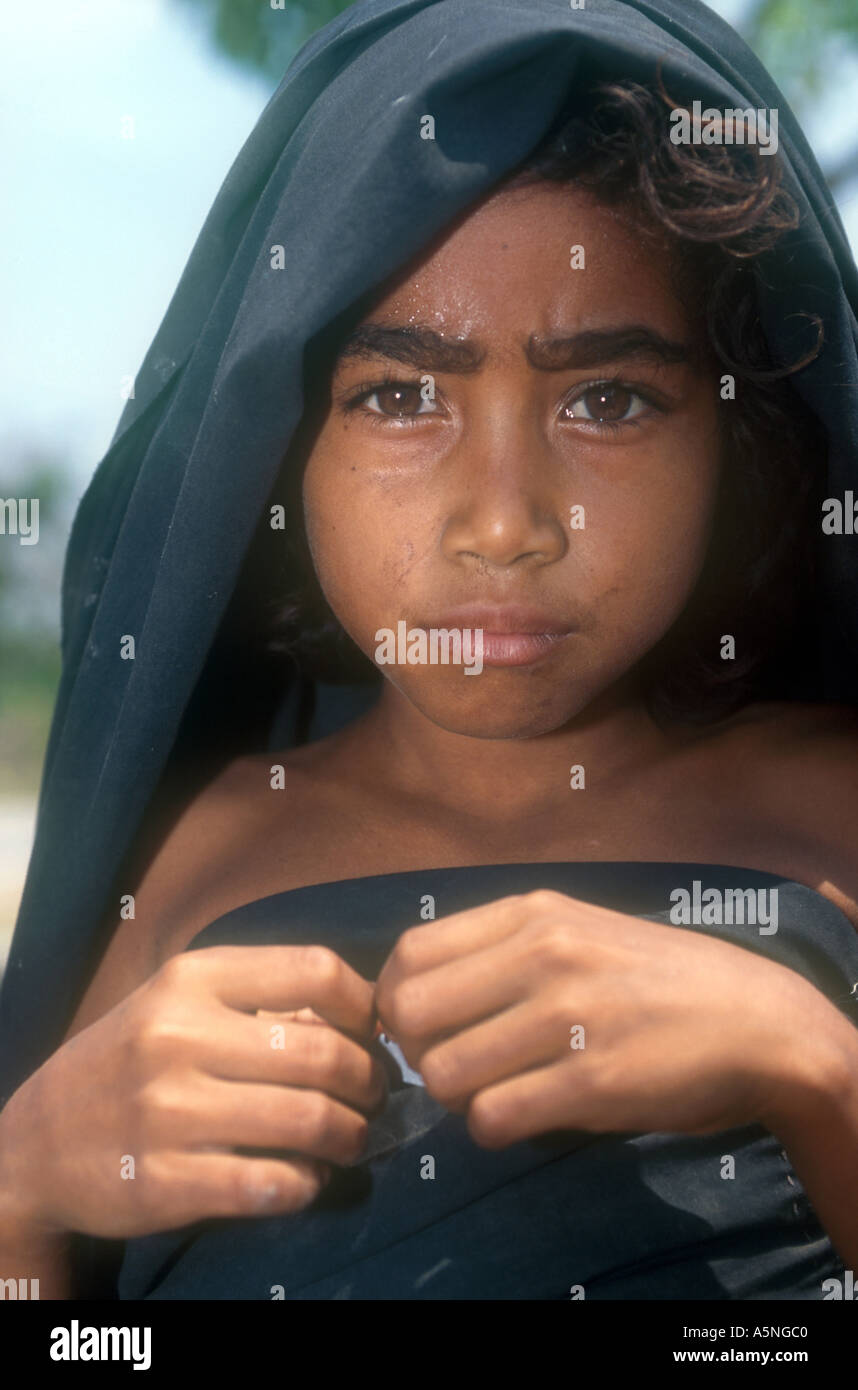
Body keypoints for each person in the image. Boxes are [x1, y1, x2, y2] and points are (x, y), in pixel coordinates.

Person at [1, 0, 857, 1300]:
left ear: (737, 445)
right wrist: (18, 1200)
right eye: (399, 398)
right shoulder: (199, 860)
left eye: (606, 398)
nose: (503, 523)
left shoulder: (834, 809)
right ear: (282, 457)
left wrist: (818, 1069)